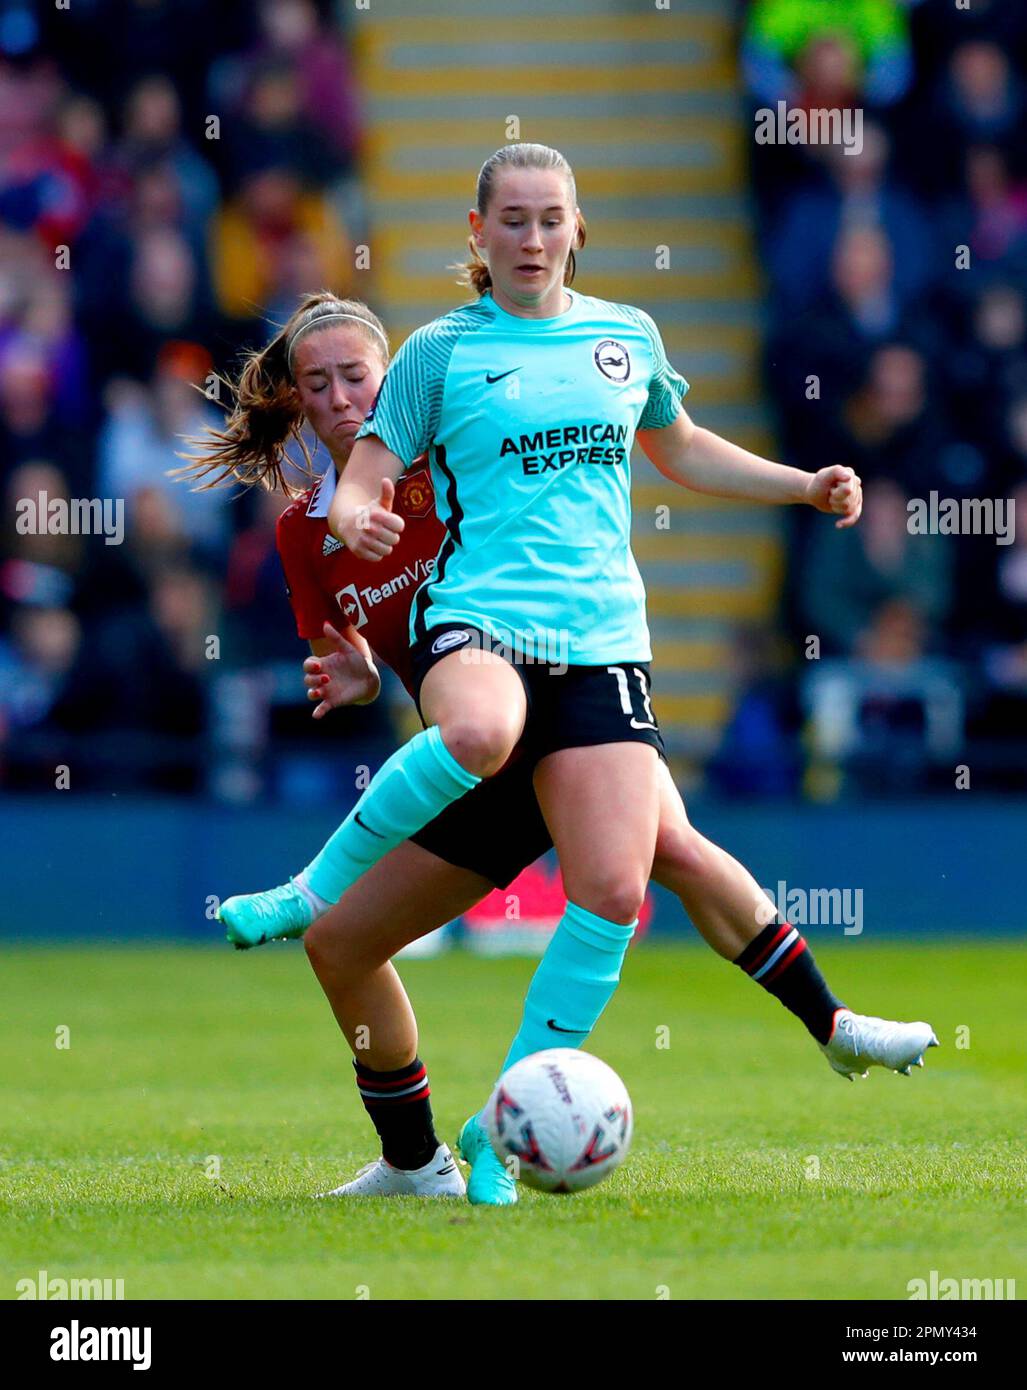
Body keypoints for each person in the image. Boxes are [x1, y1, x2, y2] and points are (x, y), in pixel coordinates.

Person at [181, 279, 936, 1208]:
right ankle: (417, 1165)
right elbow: (353, 645)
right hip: (475, 760)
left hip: (565, 695)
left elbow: (641, 450)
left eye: (358, 378)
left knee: (670, 850)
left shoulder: (448, 450)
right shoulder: (306, 532)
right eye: (319, 384)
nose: (343, 399)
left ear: (393, 377)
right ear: (294, 396)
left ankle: (833, 1025)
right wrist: (360, 677)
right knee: (341, 948)